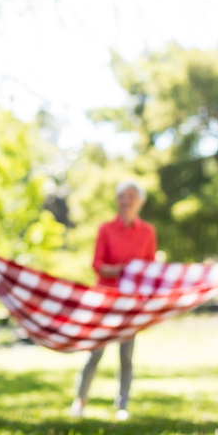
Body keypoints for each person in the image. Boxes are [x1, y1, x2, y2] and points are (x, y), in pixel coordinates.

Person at [69, 180, 157, 421]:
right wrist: (120, 270)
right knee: (95, 352)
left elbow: (150, 266)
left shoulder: (147, 231)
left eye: (131, 196)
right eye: (122, 196)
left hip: (131, 302)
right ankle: (80, 400)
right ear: (117, 201)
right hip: (106, 300)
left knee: (126, 355)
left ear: (139, 201)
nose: (126, 201)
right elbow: (97, 265)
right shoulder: (106, 229)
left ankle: (122, 405)